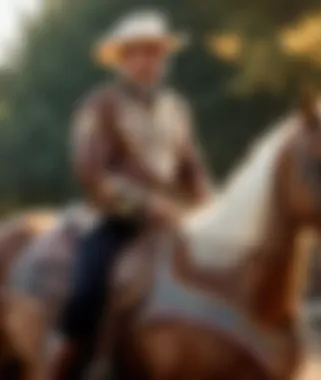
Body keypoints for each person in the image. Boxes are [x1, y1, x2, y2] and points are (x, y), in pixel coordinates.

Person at [46, 10, 210, 379]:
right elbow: (90, 171)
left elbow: (191, 167)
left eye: (155, 52)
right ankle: (59, 366)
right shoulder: (98, 104)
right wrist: (146, 204)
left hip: (175, 222)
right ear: (121, 58)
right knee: (87, 290)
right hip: (114, 220)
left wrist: (211, 205)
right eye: (138, 52)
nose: (148, 60)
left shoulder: (177, 108)